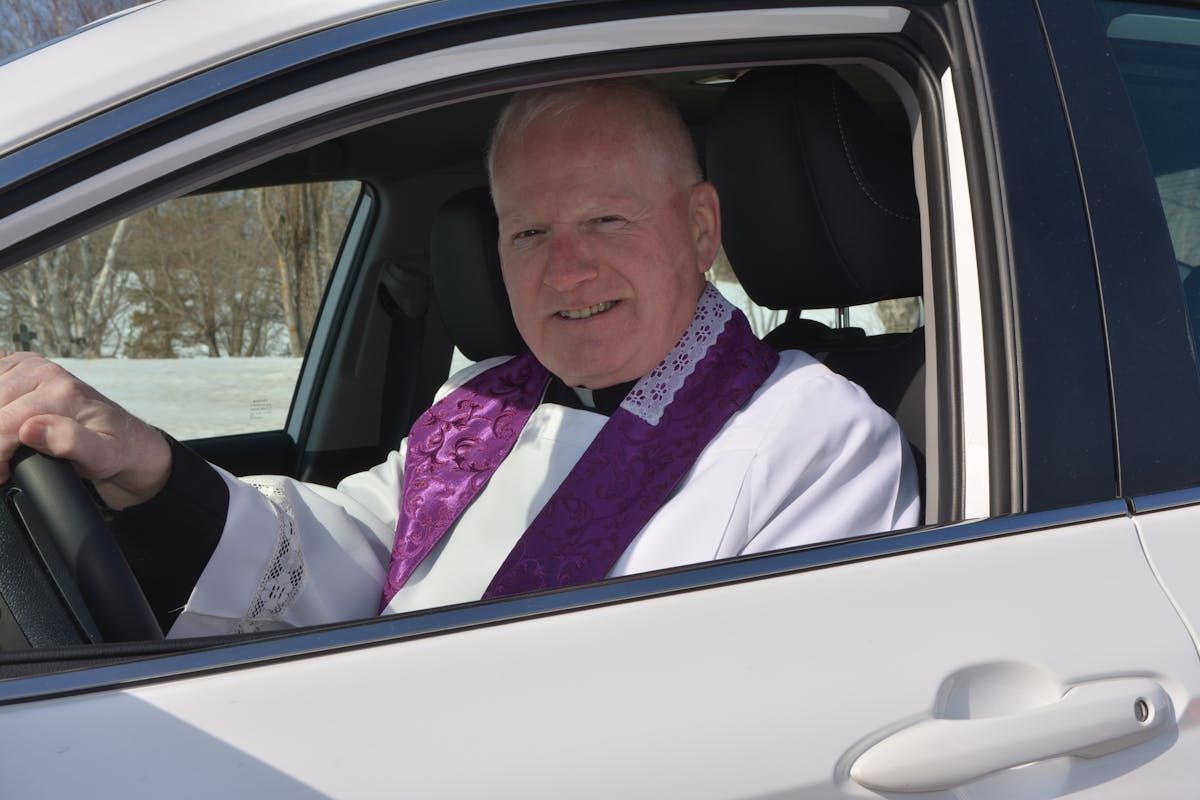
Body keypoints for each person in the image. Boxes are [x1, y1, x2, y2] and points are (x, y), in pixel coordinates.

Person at [0, 79, 920, 637]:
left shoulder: (820, 438)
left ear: (699, 225)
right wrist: (150, 468)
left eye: (606, 219)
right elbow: (351, 553)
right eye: (528, 231)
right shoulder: (482, 401)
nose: (567, 269)